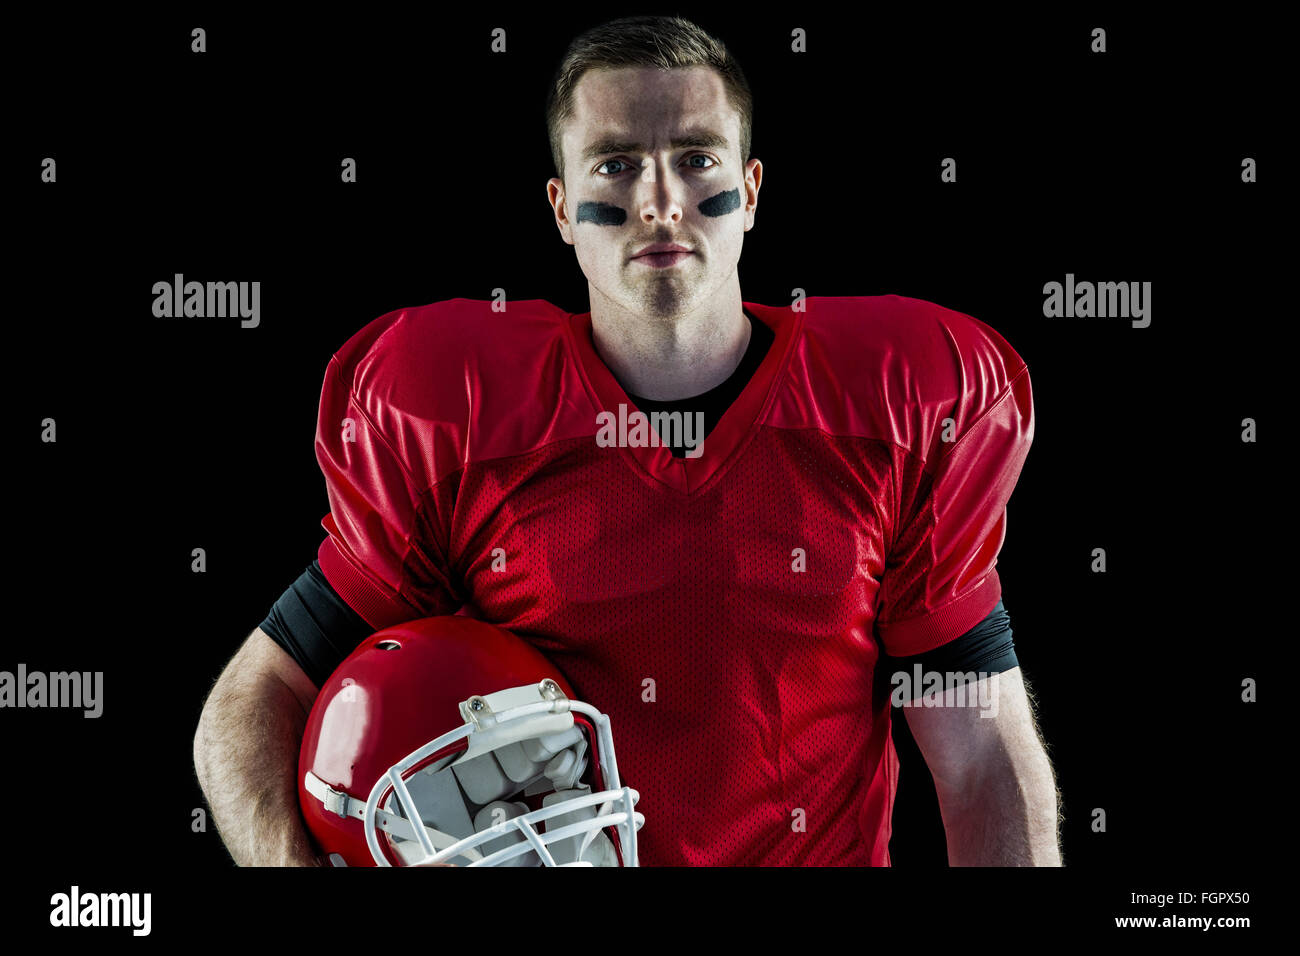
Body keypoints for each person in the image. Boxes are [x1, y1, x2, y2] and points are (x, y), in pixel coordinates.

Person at [193, 14, 1060, 866]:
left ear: (750, 192)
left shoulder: (898, 404)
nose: (659, 202)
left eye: (695, 159)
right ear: (562, 209)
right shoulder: (455, 415)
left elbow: (980, 754)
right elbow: (254, 700)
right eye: (617, 164)